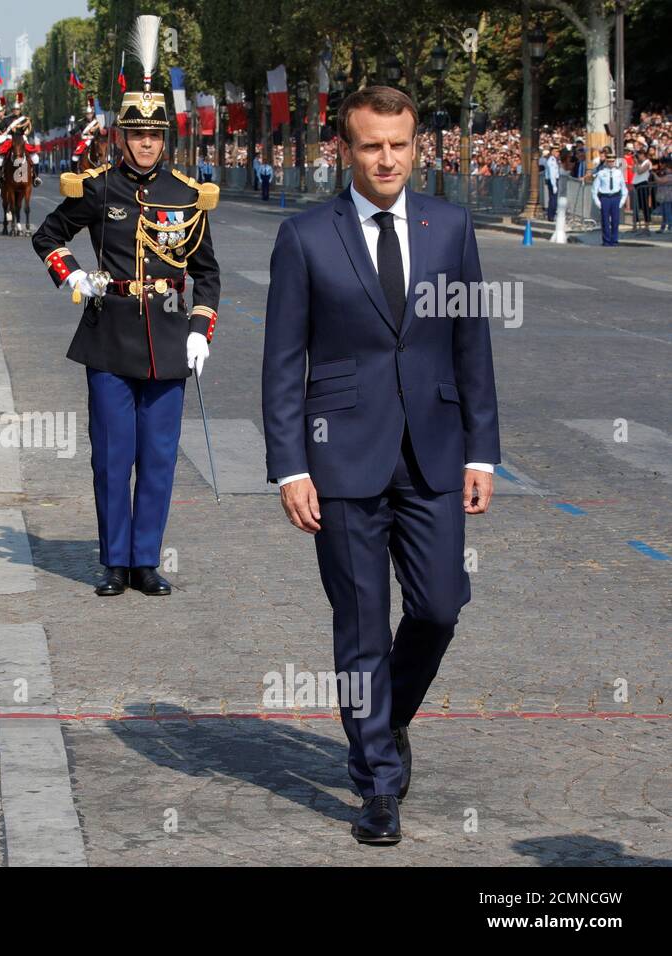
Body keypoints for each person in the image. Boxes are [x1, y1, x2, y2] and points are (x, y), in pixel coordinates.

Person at [262, 86, 500, 846]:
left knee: (439, 606)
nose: (387, 158)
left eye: (399, 144)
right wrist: (289, 467)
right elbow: (280, 363)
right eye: (371, 145)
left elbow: (472, 345)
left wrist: (483, 449)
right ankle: (378, 785)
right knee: (361, 625)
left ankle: (384, 719)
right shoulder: (304, 237)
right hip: (340, 459)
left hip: (434, 450)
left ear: (416, 145)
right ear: (345, 149)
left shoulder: (452, 226)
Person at [31, 14, 220, 599]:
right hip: (110, 334)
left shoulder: (187, 196)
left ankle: (145, 561)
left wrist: (199, 331)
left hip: (166, 339)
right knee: (113, 457)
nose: (146, 143)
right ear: (122, 137)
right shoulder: (98, 188)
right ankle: (113, 559)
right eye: (137, 134)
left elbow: (206, 273)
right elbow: (47, 237)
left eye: (155, 135)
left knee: (159, 458)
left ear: (166, 139)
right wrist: (75, 278)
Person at [592, 147, 627, 246]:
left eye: (612, 161)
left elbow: (624, 189)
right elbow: (594, 189)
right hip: (605, 198)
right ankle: (606, 240)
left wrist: (621, 202)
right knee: (605, 221)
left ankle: (614, 240)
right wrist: (598, 202)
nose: (611, 163)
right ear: (606, 162)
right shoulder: (601, 173)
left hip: (615, 197)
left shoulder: (618, 173)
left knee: (615, 221)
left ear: (614, 162)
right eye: (609, 161)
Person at [544, 146, 559, 220]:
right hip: (553, 180)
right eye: (556, 151)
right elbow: (552, 174)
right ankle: (551, 216)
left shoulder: (554, 160)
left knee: (552, 199)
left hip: (552, 180)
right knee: (553, 199)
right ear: (552, 152)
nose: (558, 153)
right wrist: (554, 185)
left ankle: (551, 215)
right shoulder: (552, 161)